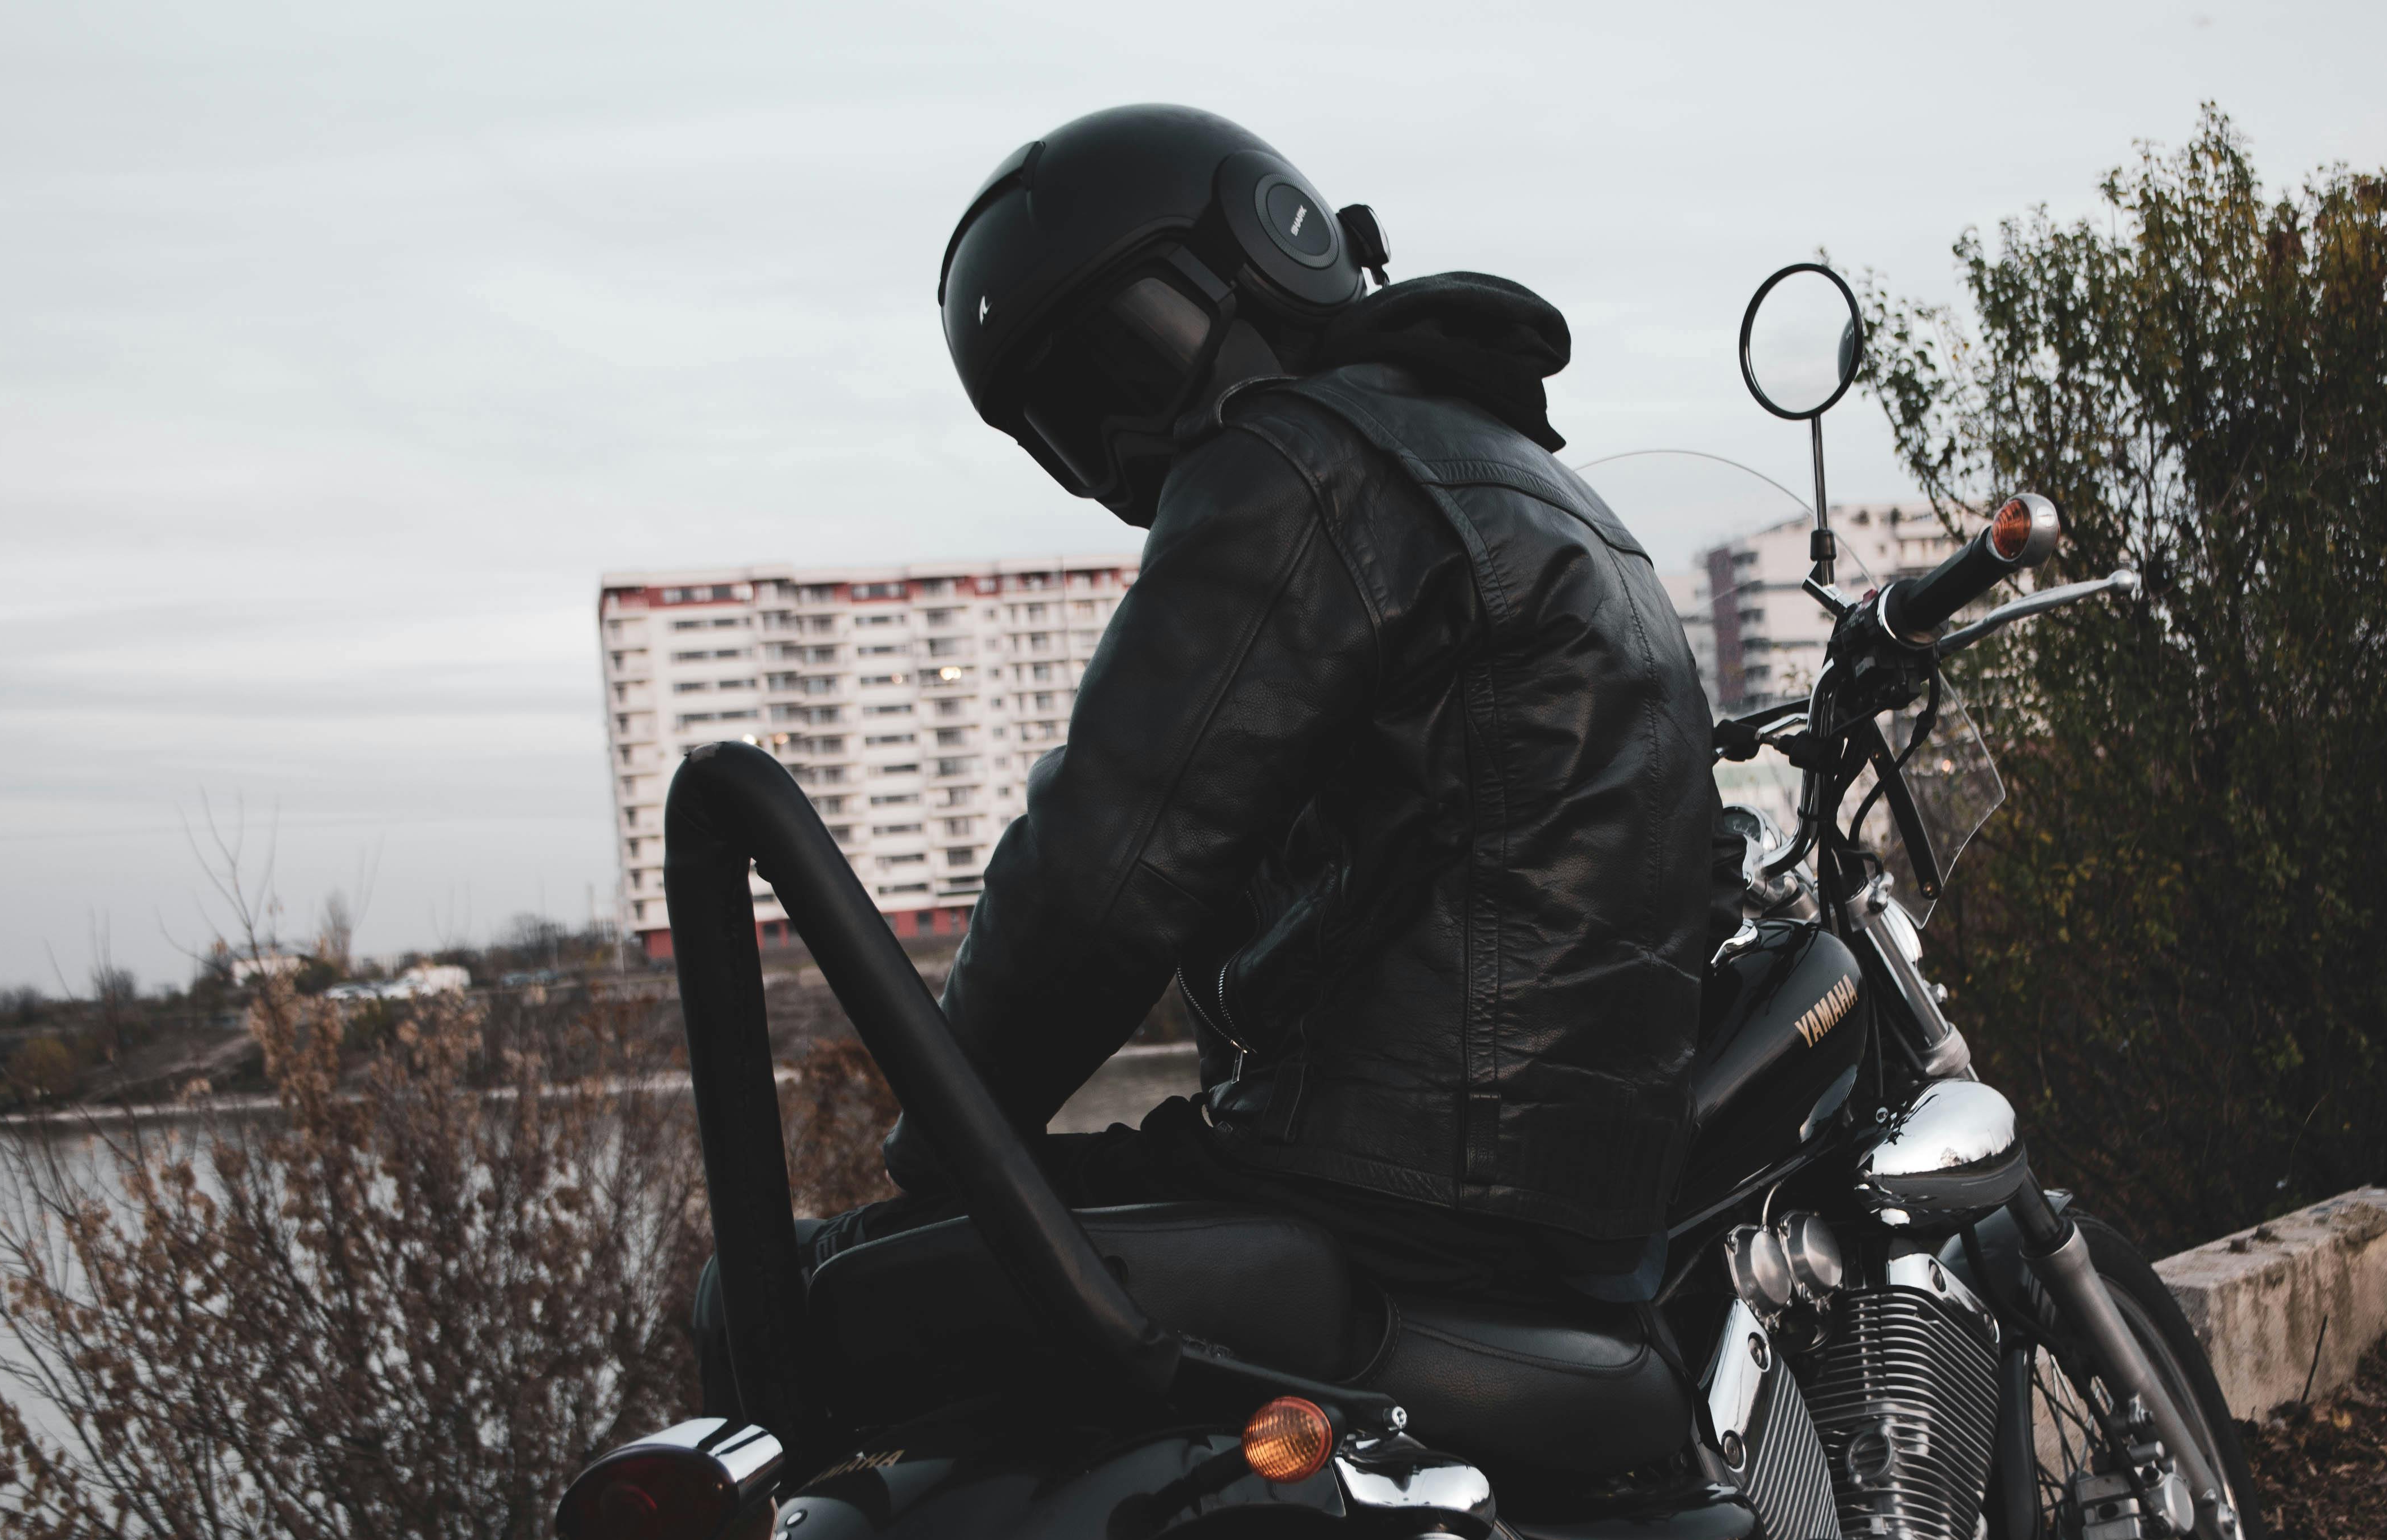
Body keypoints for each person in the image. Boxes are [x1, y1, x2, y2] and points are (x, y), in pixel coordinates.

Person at [698, 105, 1737, 1416]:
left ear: (1269, 252)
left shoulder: (1306, 458)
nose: (1130, 446)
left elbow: (1105, 867)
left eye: (1130, 360)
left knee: (781, 1293)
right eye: (1072, 423)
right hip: (1571, 1210)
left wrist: (945, 1138)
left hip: (1390, 1184)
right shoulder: (1555, 497)